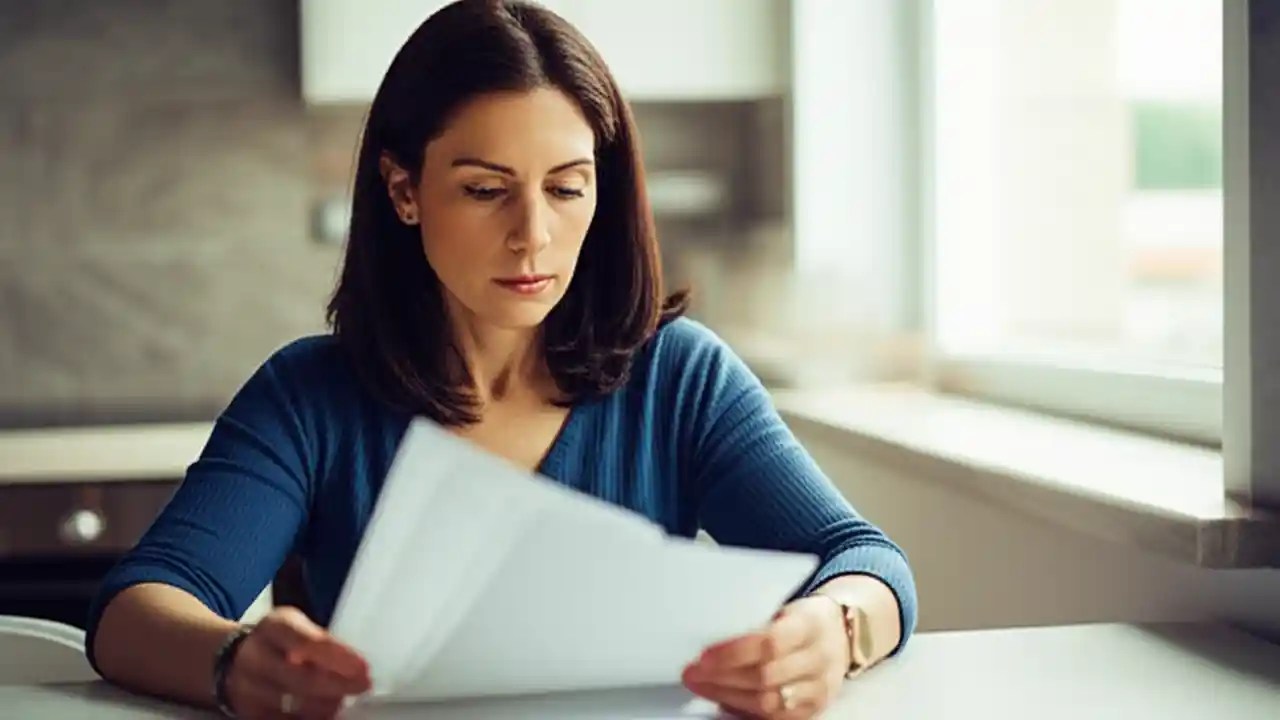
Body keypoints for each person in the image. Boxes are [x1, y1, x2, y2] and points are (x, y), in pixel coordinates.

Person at [86, 1, 918, 718]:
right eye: (486, 189)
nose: (534, 234)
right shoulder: (311, 397)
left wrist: (832, 631)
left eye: (566, 187)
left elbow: (868, 564)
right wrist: (234, 663)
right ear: (403, 190)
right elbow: (133, 610)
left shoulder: (678, 377)